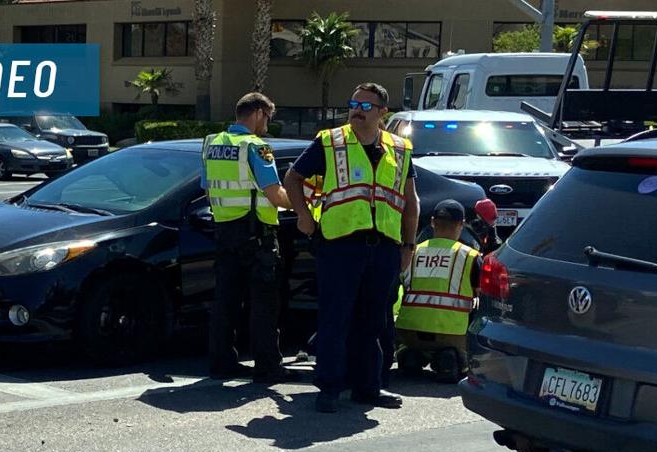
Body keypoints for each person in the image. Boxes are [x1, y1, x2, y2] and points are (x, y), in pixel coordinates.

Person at [284, 83, 420, 413]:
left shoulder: (400, 148)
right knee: (335, 318)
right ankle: (329, 386)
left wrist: (408, 245)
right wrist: (303, 215)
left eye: (366, 106)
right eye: (353, 103)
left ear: (382, 113)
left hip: (384, 248)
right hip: (339, 245)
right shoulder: (330, 141)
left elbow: (410, 200)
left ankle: (368, 387)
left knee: (374, 321)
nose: (357, 110)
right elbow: (292, 178)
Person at [201, 92, 298, 383]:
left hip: (224, 232)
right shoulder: (256, 148)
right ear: (257, 113)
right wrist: (304, 201)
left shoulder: (212, 143)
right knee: (264, 304)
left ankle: (221, 362)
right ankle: (267, 366)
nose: (267, 125)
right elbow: (276, 196)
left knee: (225, 301)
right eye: (268, 118)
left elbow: (208, 189)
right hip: (256, 235)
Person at [394, 199, 483, 381]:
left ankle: (410, 355)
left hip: (408, 331)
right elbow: (481, 293)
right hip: (451, 334)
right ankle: (451, 358)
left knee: (410, 347)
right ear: (461, 224)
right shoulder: (470, 256)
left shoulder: (413, 252)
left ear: (433, 222)